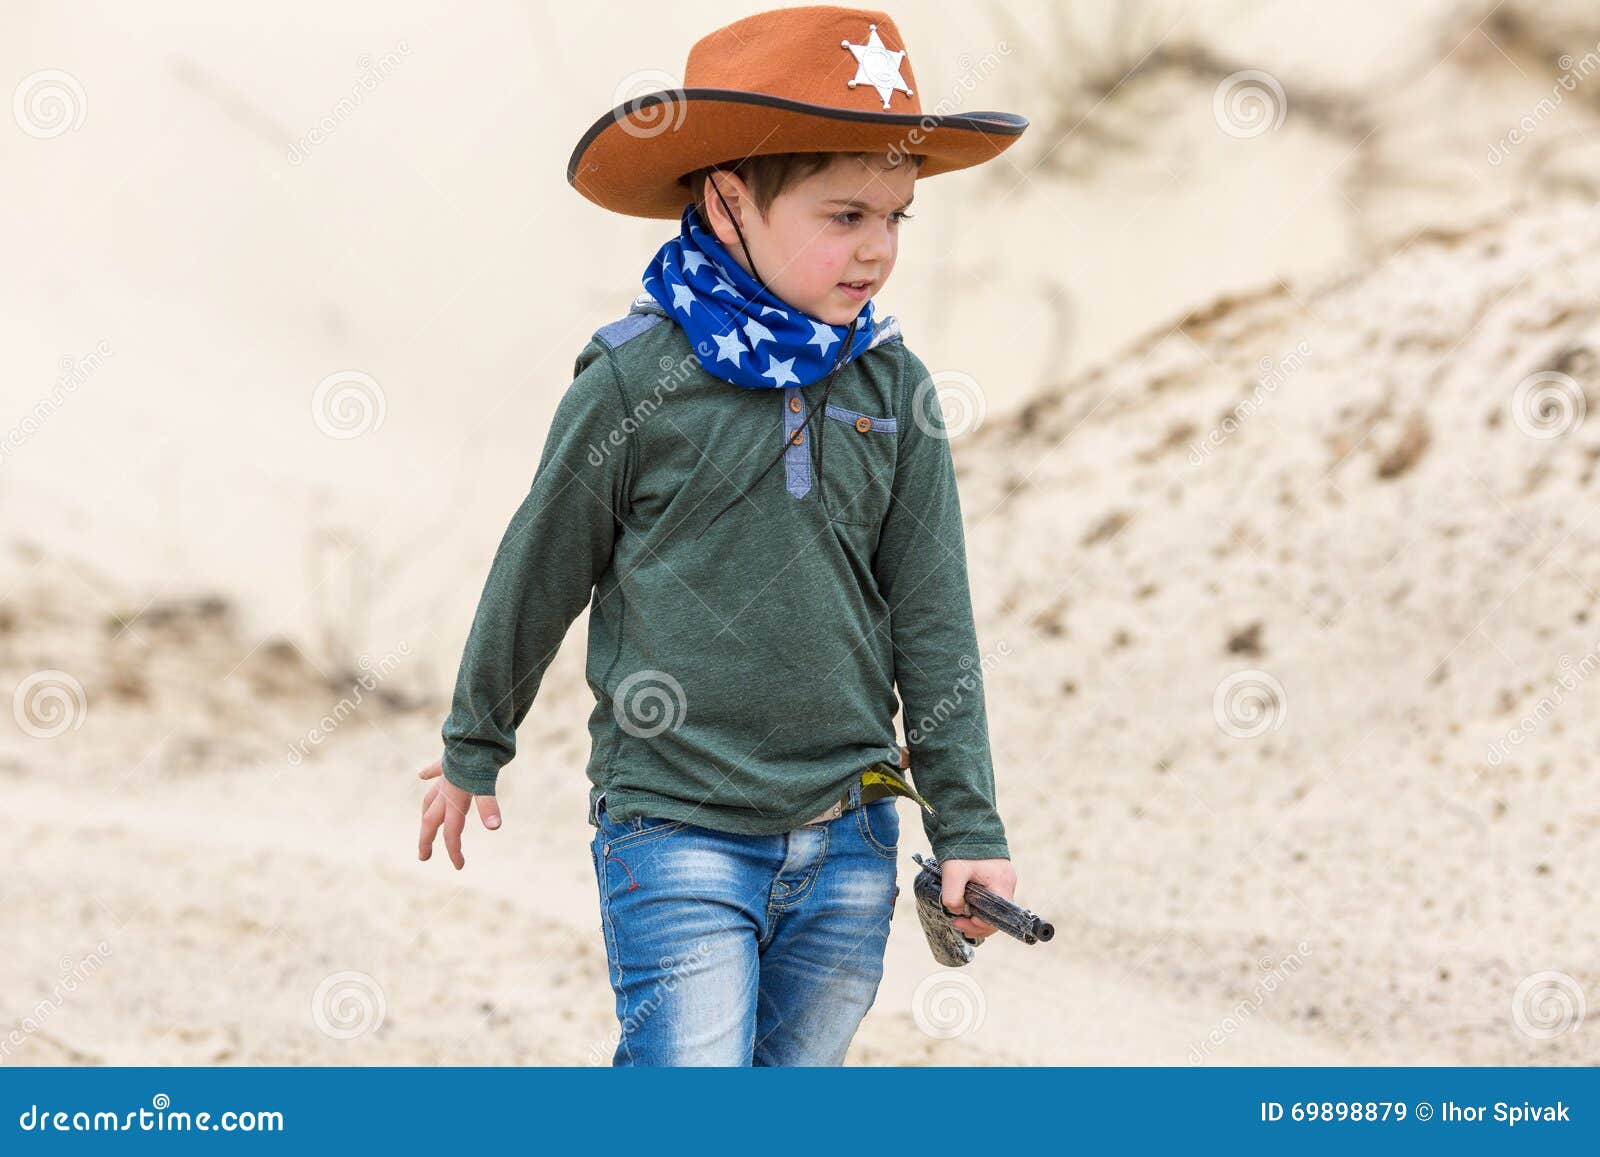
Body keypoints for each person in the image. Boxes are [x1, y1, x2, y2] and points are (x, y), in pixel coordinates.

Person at [417, 4, 1029, 1065]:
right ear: (728, 199)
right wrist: (476, 742)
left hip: (850, 834)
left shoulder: (894, 387)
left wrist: (967, 827)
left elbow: (934, 617)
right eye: (844, 215)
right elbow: (541, 565)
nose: (877, 249)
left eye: (897, 216)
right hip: (677, 821)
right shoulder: (633, 380)